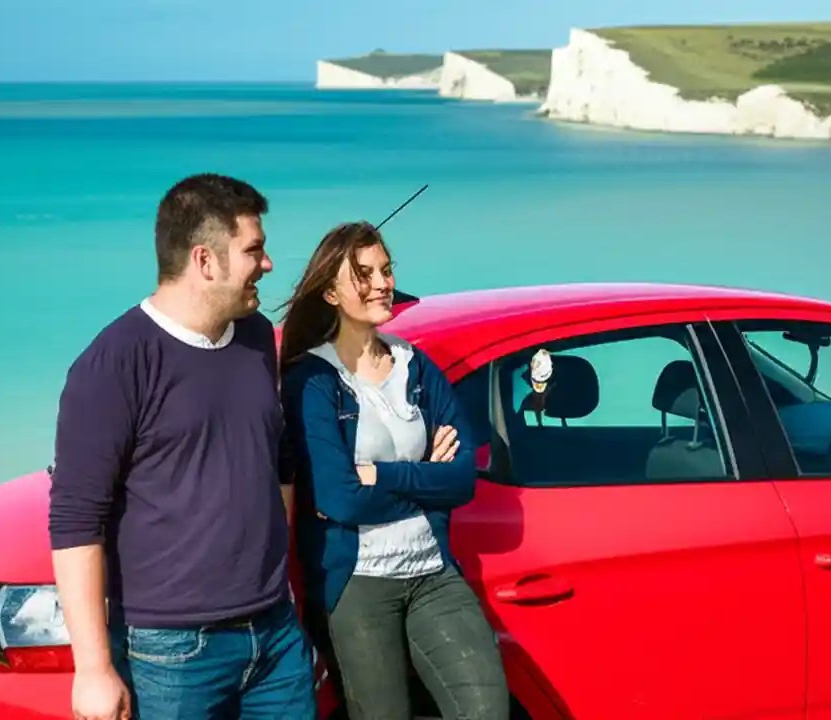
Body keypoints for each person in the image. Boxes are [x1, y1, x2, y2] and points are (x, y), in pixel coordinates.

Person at [48, 173, 317, 720]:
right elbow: (76, 520)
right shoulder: (113, 364)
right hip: (170, 654)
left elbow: (278, 463)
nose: (267, 264)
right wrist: (94, 669)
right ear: (205, 260)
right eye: (254, 250)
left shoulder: (258, 338)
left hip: (275, 635)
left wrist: (284, 589)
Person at [278, 221, 509, 720]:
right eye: (364, 274)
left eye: (386, 270)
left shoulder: (417, 368)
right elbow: (339, 499)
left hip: (433, 573)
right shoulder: (313, 382)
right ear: (331, 292)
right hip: (358, 585)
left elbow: (462, 479)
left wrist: (384, 475)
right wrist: (427, 475)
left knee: (488, 708)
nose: (383, 282)